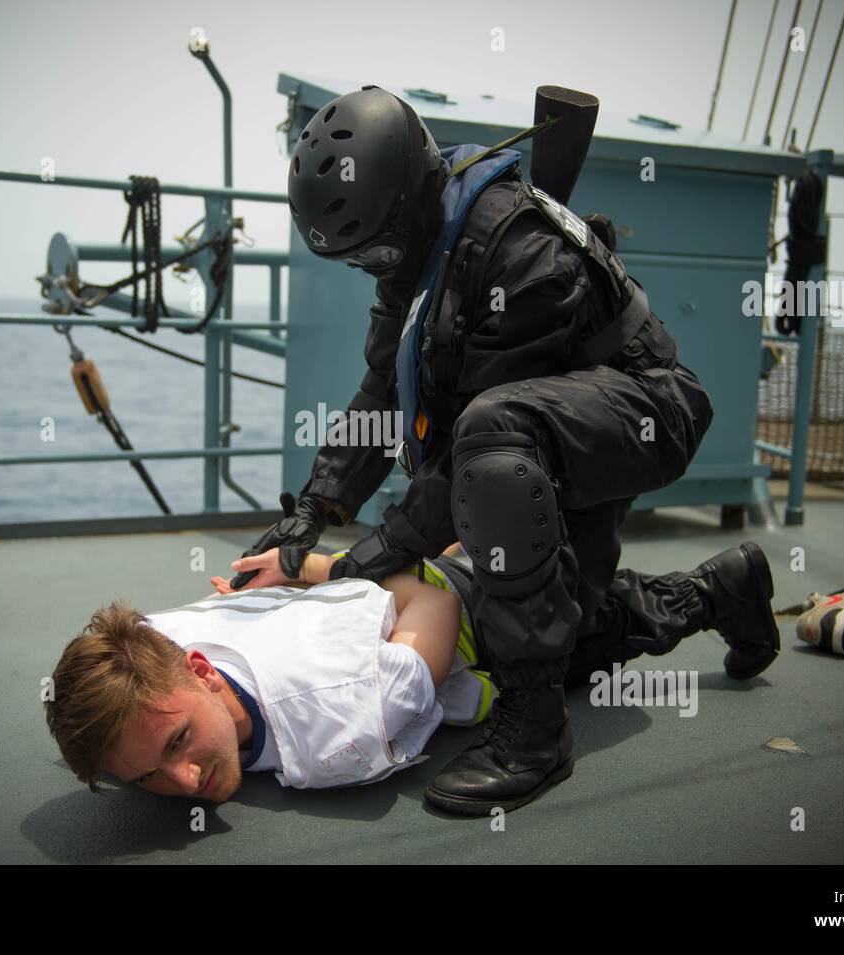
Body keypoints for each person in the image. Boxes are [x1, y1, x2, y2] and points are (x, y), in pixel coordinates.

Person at [227, 84, 781, 815]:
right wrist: (315, 507)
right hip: (557, 421)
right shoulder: (417, 248)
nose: (377, 268)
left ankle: (536, 736)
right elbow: (382, 389)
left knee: (491, 439)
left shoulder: (519, 251)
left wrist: (365, 559)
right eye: (362, 260)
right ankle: (719, 592)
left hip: (647, 407)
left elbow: (473, 452)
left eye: (382, 250)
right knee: (557, 625)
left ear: (413, 198)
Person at [42, 540, 761, 802]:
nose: (185, 783)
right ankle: (720, 583)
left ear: (200, 672)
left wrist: (314, 566)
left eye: (176, 747)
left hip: (471, 612)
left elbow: (434, 600)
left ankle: (718, 589)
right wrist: (290, 582)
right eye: (144, 779)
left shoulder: (343, 725)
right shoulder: (153, 642)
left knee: (598, 633)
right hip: (376, 592)